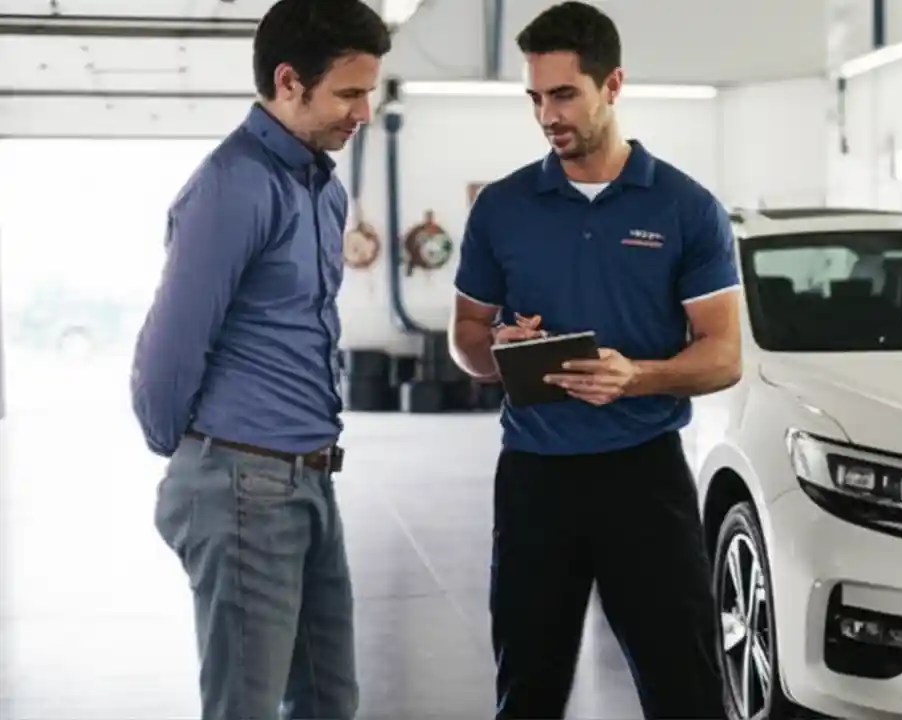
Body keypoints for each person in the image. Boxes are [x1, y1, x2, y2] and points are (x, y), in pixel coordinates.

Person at [448, 3, 743, 718]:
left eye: (564, 94)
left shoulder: (686, 207)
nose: (547, 115)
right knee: (529, 687)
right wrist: (493, 352)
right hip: (534, 478)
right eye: (536, 97)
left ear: (613, 85)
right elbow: (464, 333)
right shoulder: (502, 208)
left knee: (685, 687)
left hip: (643, 474)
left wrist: (637, 375)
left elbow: (723, 355)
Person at [130, 1, 390, 717]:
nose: (363, 112)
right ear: (288, 83)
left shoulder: (325, 192)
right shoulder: (232, 184)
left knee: (329, 699)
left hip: (308, 479)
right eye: (348, 92)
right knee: (245, 705)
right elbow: (170, 347)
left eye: (369, 92)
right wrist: (196, 460)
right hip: (244, 480)